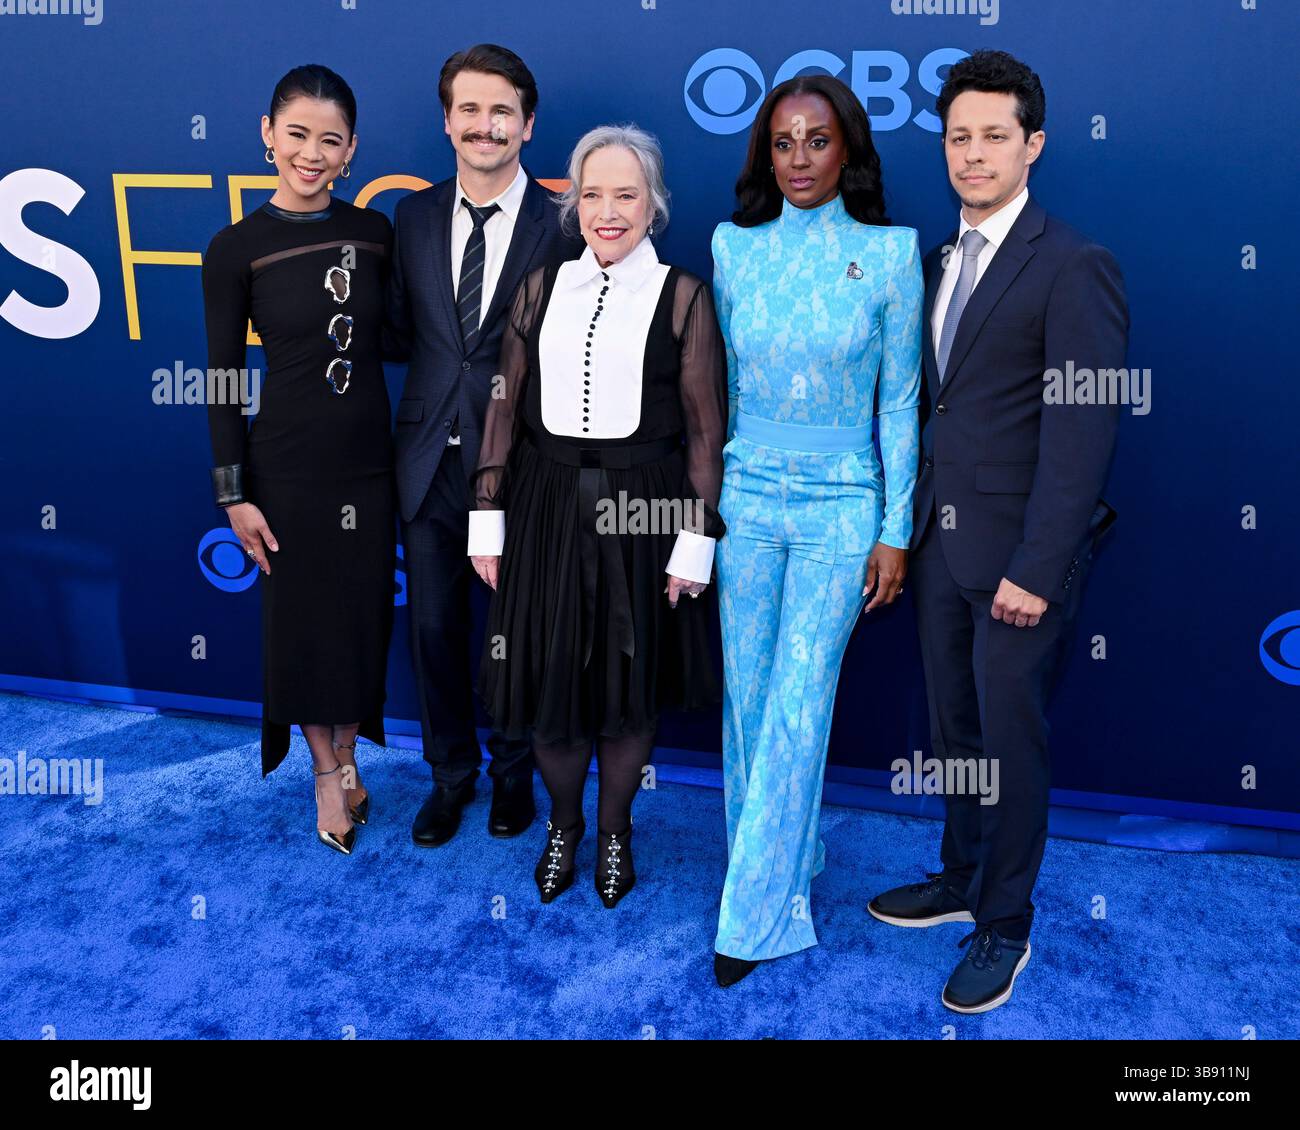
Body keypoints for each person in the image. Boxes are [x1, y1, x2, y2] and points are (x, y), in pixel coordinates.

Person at [866, 50, 1128, 1014]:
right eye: (958, 137)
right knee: (954, 731)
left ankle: (1005, 927)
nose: (972, 155)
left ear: (1035, 145)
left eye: (993, 137)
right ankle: (963, 876)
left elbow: (1081, 431)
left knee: (1010, 742)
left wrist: (1040, 566)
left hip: (1020, 561)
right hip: (940, 546)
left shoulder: (1073, 263)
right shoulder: (939, 258)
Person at [467, 124, 727, 908]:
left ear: (654, 204)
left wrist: (695, 543)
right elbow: (504, 408)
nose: (608, 210)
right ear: (572, 203)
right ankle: (564, 828)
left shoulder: (684, 294)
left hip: (643, 509)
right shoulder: (541, 289)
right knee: (549, 679)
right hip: (544, 502)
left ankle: (616, 832)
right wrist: (487, 517)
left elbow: (707, 428)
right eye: (592, 193)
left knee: (625, 683)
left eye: (626, 193)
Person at [710, 75, 923, 986]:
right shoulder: (731, 249)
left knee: (800, 704)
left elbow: (904, 402)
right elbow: (721, 392)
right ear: (765, 152)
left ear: (850, 152)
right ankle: (783, 863)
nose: (799, 159)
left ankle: (756, 917)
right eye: (783, 142)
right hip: (747, 498)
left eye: (818, 140)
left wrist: (896, 528)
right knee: (750, 704)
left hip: (844, 506)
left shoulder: (892, 254)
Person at [386, 44, 583, 848]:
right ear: (447, 121)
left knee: (514, 635)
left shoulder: (563, 225)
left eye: (501, 110)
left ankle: (512, 778)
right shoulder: (414, 217)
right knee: (433, 630)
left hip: (522, 466)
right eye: (469, 109)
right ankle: (449, 777)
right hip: (428, 456)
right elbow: (404, 333)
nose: (484, 125)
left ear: (528, 126)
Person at [203, 64, 396, 855]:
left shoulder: (376, 234)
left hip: (372, 467)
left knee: (359, 625)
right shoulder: (234, 249)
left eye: (330, 140)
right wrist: (232, 492)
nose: (311, 154)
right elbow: (220, 378)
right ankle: (324, 770)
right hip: (283, 472)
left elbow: (412, 340)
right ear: (266, 135)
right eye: (297, 135)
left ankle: (349, 750)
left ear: (351, 151)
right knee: (302, 630)